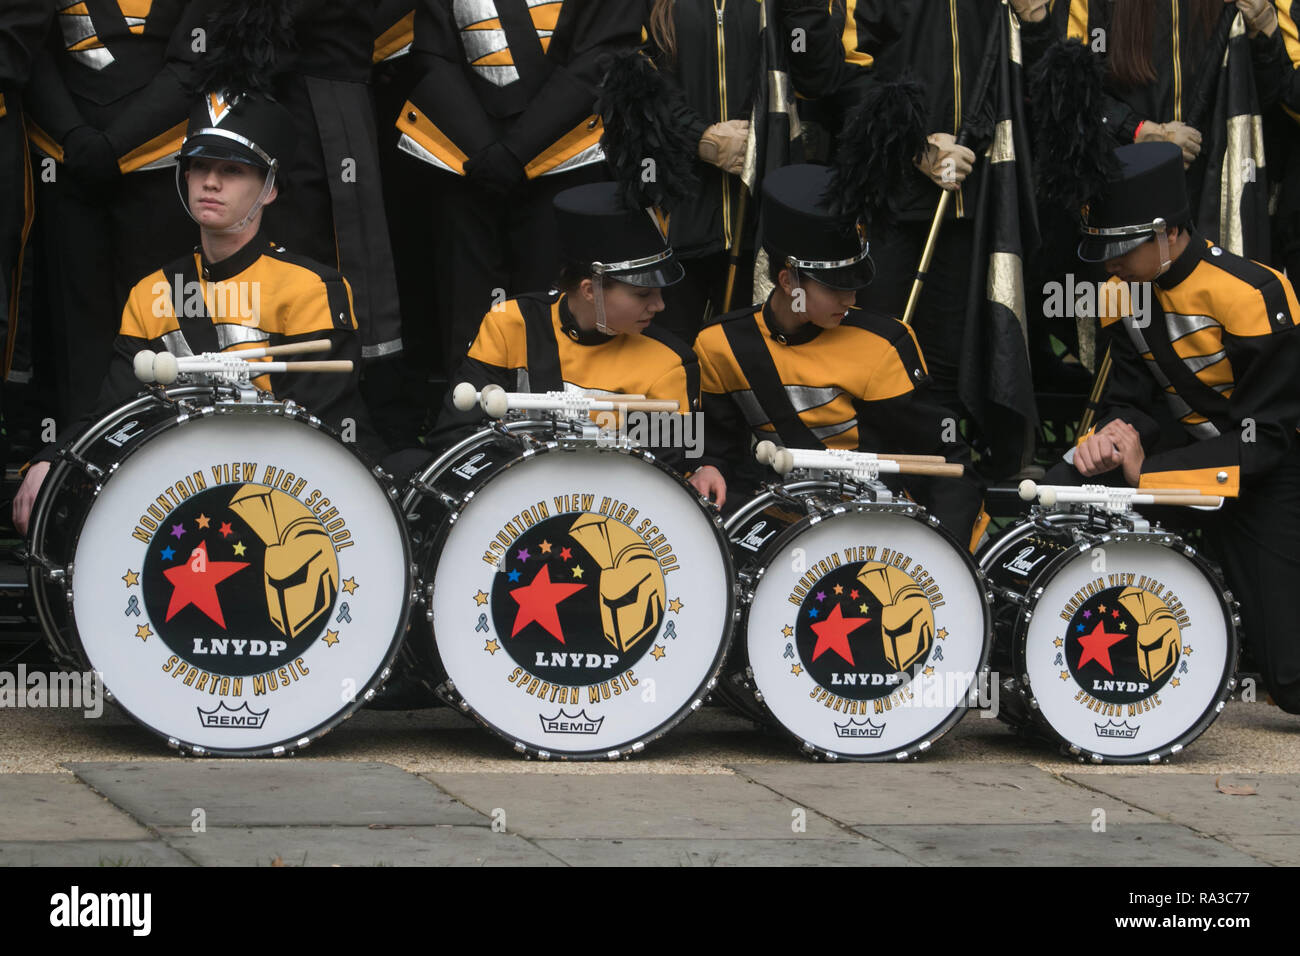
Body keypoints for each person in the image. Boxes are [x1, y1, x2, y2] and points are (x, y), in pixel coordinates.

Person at [13, 92, 375, 535]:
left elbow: (320, 435)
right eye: (199, 167)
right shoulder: (152, 293)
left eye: (233, 171)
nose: (210, 182)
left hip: (283, 506)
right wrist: (51, 458)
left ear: (270, 188)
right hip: (173, 503)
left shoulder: (311, 289)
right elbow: (115, 415)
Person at [1055, 140, 1300, 713]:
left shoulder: (1255, 293)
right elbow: (1132, 398)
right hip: (1182, 462)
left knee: (1289, 681)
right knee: (1064, 483)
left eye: (1123, 247)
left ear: (1168, 234)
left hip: (1267, 479)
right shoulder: (1119, 292)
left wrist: (1154, 473)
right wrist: (1112, 437)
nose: (1110, 262)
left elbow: (1264, 439)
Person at [688, 164, 986, 551]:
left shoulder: (883, 345)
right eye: (837, 286)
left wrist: (946, 553)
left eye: (857, 281)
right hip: (780, 526)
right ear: (788, 281)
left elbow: (946, 461)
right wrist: (708, 464)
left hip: (873, 527)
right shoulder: (719, 344)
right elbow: (716, 446)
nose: (853, 299)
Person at [396, 0, 645, 375]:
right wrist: (483, 150)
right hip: (465, 165)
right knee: (467, 312)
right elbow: (433, 54)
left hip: (567, 162)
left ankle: (552, 425)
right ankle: (469, 420)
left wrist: (517, 152)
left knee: (555, 312)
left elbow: (601, 55)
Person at [428, 180, 700, 470]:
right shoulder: (510, 323)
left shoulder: (671, 361)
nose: (660, 306)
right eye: (644, 294)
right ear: (589, 290)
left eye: (661, 293)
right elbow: (455, 435)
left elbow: (666, 476)